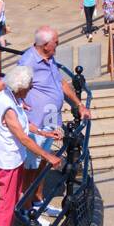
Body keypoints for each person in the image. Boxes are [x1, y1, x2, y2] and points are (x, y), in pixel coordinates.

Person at [0, 64, 63, 226]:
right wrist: (48, 156)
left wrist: (44, 133)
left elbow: (25, 123)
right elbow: (24, 137)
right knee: (7, 201)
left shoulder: (12, 98)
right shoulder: (8, 105)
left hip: (12, 157)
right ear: (21, 87)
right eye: (29, 86)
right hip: (7, 159)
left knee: (12, 196)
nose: (31, 90)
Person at [19, 26, 91, 215]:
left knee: (43, 162)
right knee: (30, 166)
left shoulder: (49, 58)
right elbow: (15, 85)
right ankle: (26, 210)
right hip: (36, 121)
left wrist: (79, 105)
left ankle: (38, 200)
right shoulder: (28, 61)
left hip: (50, 119)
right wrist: (20, 104)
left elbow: (61, 83)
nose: (57, 45)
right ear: (44, 45)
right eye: (55, 43)